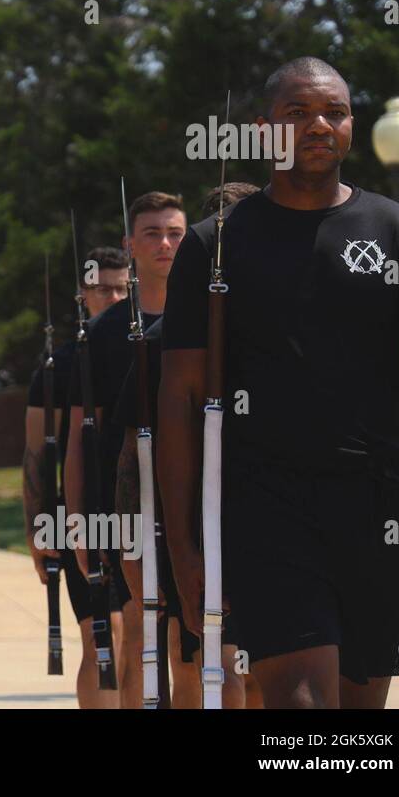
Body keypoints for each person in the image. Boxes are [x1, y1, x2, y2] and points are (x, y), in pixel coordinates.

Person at [161, 57, 399, 709]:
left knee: (359, 704)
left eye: (335, 112)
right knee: (303, 702)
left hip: (376, 501)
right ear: (263, 131)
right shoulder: (215, 247)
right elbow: (178, 399)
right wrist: (185, 552)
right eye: (298, 113)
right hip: (265, 501)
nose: (320, 125)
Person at [113, 183, 258, 708]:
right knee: (205, 666)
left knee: (273, 669)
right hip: (196, 531)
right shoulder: (160, 345)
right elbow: (134, 461)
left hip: (283, 522)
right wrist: (137, 562)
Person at [65, 192, 187, 707]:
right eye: (153, 233)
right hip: (122, 509)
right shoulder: (100, 335)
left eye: (176, 233)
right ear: (130, 244)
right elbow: (77, 438)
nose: (165, 244)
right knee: (137, 637)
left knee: (195, 647)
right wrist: (75, 521)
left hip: (190, 502)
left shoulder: (206, 319)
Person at [23, 245, 127, 707]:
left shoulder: (147, 345)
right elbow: (36, 457)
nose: (113, 297)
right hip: (82, 515)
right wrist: (36, 528)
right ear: (82, 295)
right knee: (103, 638)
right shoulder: (57, 366)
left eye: (122, 288)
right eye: (102, 288)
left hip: (140, 508)